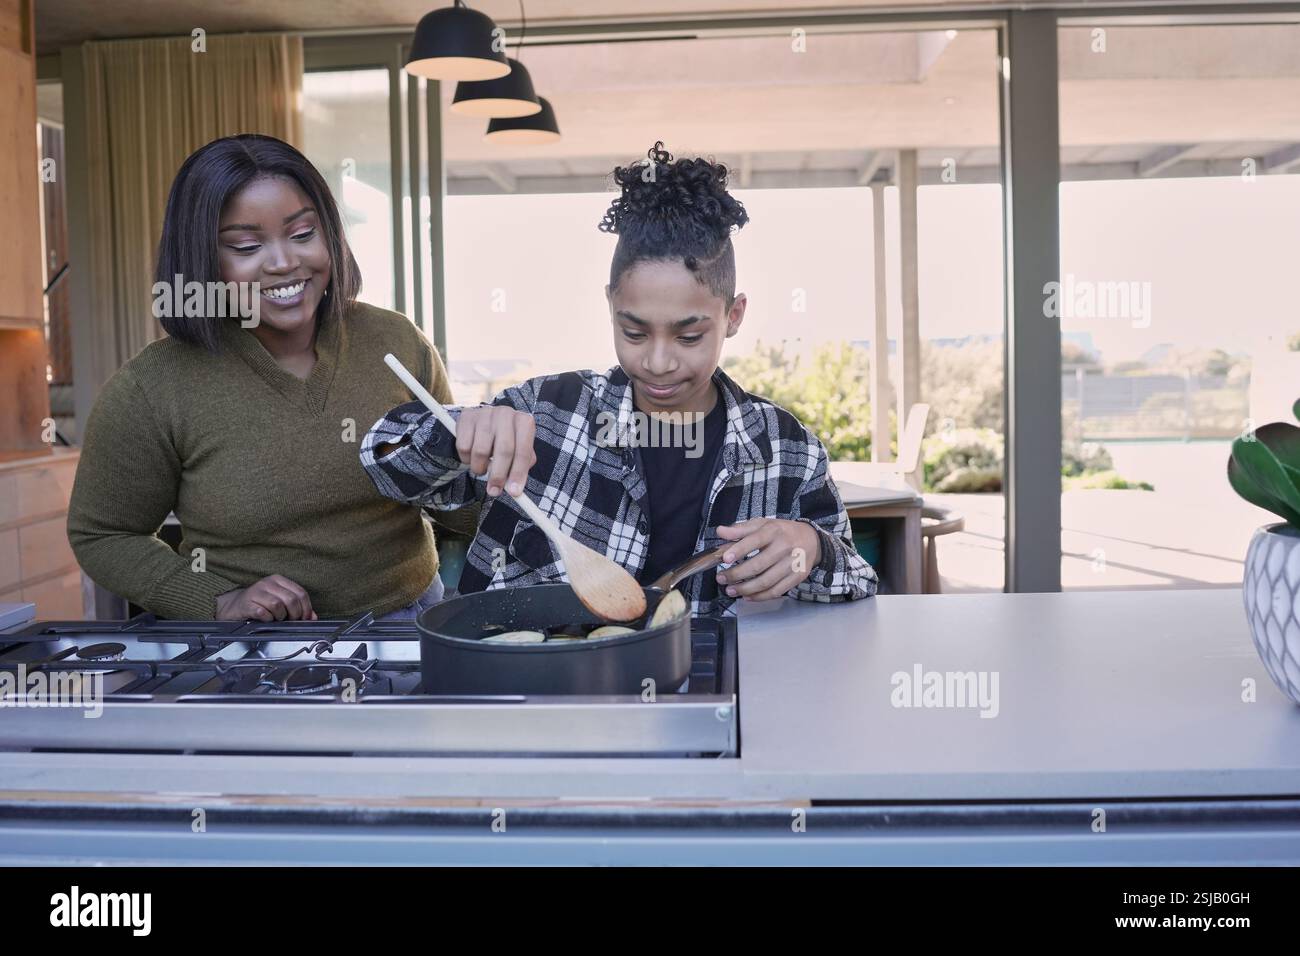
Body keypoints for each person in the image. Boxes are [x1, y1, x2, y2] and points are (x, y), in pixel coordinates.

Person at [361, 141, 876, 615]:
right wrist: (458, 433)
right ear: (611, 305)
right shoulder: (544, 415)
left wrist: (811, 547)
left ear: (733, 316)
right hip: (531, 693)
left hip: (701, 693)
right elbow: (385, 466)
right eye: (634, 331)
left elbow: (857, 581)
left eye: (689, 337)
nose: (657, 361)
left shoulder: (786, 449)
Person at [68, 134, 471, 622]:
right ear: (202, 259)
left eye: (303, 234)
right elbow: (103, 534)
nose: (283, 263)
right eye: (246, 245)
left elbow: (456, 508)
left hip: (412, 621)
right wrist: (216, 600)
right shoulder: (152, 389)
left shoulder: (395, 341)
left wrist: (485, 458)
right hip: (257, 648)